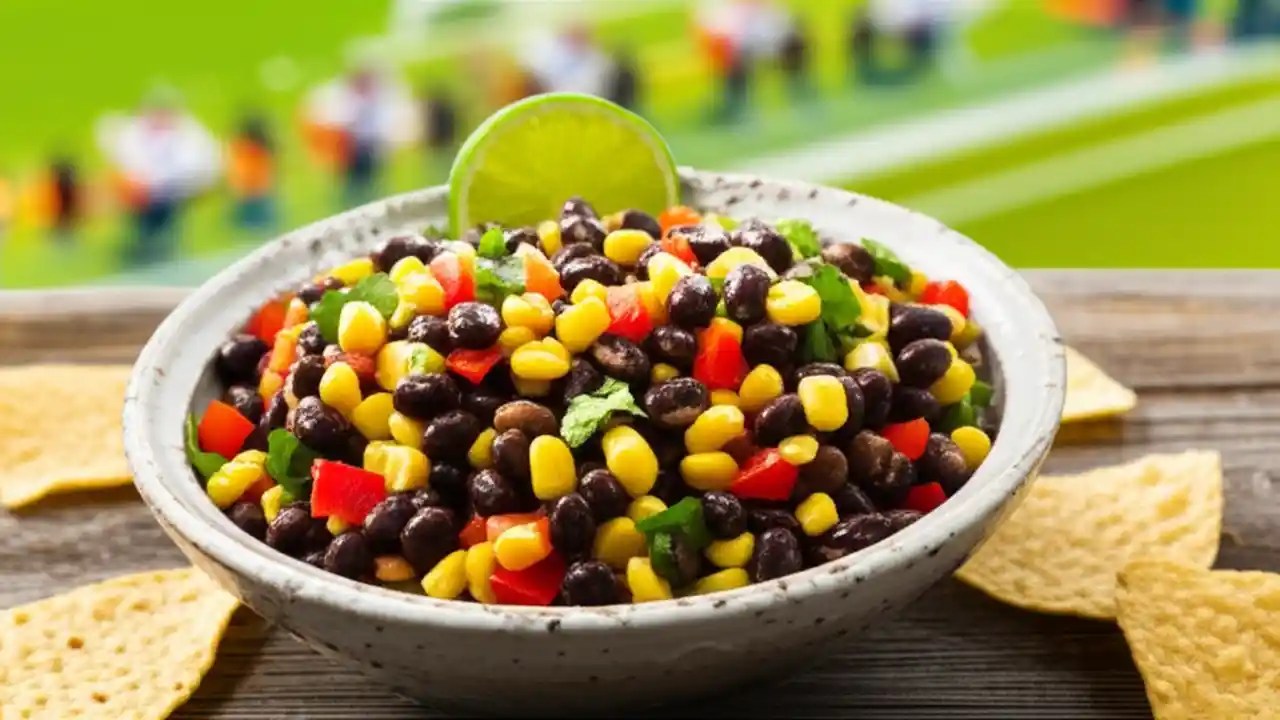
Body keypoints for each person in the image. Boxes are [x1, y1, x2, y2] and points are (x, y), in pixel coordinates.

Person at [96, 87, 221, 267]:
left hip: (169, 194)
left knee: (165, 229)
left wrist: (162, 182)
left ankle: (163, 256)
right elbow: (127, 158)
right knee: (143, 229)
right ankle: (143, 255)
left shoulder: (185, 133)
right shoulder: (135, 132)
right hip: (142, 195)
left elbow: (192, 164)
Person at [302, 63, 420, 208]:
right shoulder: (348, 99)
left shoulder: (376, 99)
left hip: (369, 148)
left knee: (372, 184)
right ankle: (353, 204)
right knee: (352, 186)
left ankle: (371, 203)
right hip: (352, 150)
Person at [226, 114, 276, 231]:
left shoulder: (244, 146)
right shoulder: (257, 146)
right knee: (259, 228)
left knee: (255, 228)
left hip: (252, 191)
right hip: (254, 190)